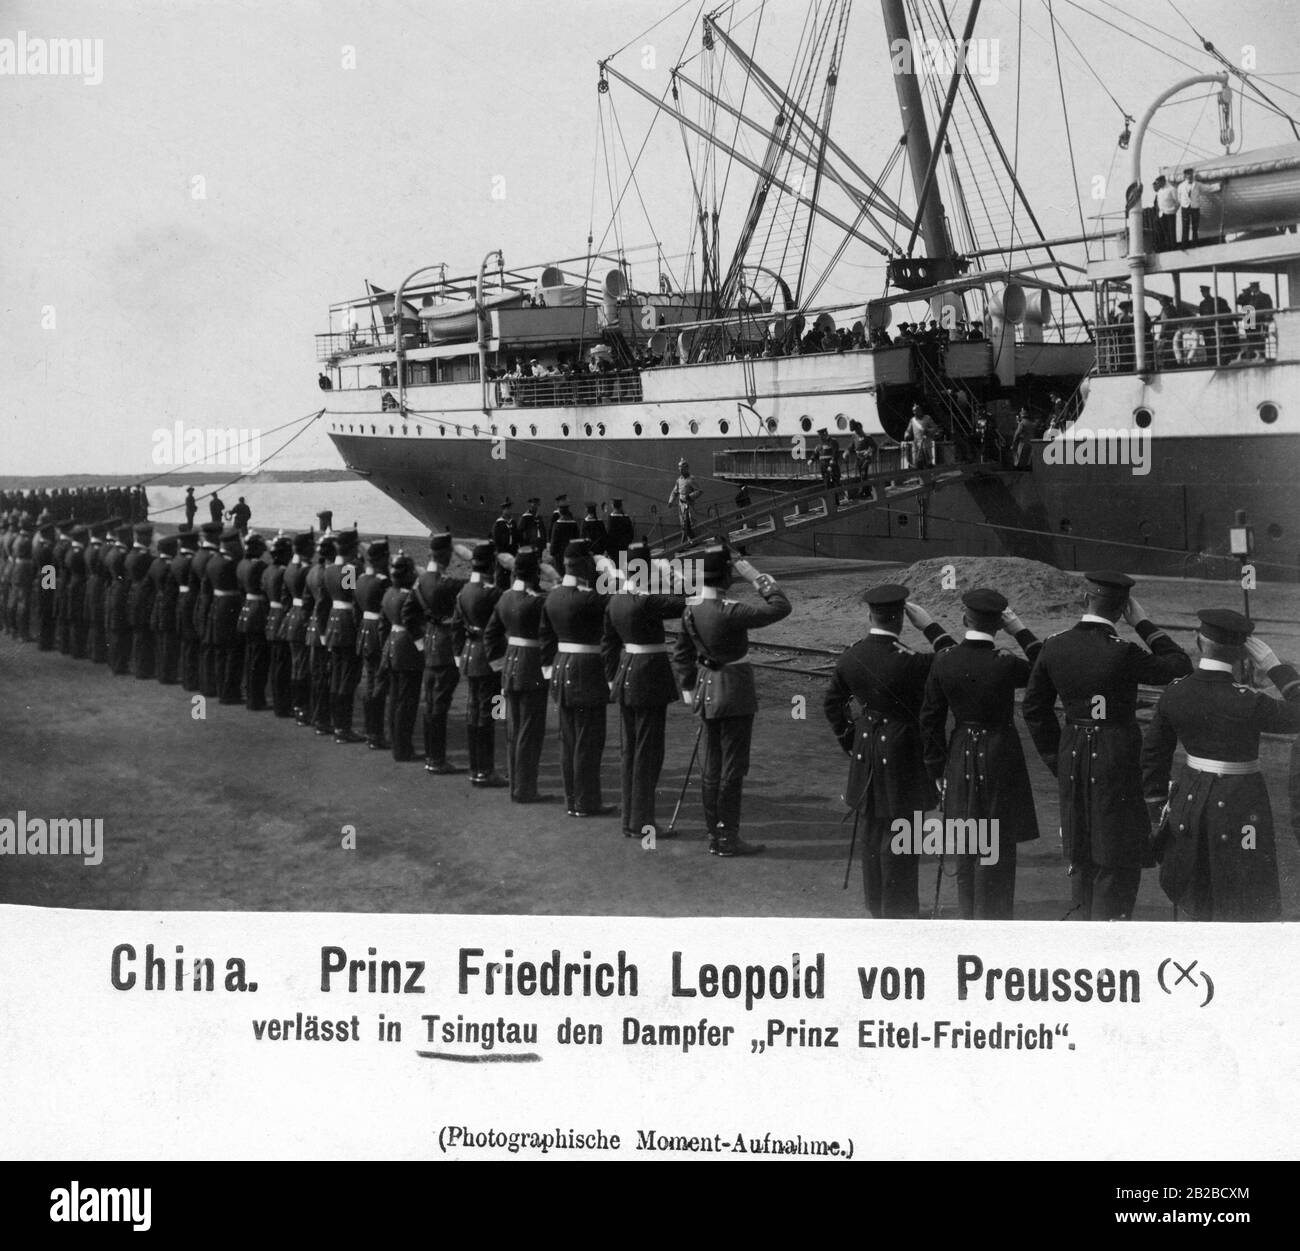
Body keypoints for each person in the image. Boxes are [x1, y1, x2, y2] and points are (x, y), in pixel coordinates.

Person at [1023, 570, 1192, 920]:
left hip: (1072, 753)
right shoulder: (1123, 652)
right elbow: (1179, 665)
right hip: (1116, 754)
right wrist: (1144, 624)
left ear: (1086, 600)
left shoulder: (1054, 644)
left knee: (1080, 849)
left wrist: (1060, 759)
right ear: (1122, 611)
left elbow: (1035, 708)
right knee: (1117, 849)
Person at [1142, 610, 1300, 921]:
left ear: (1196, 640)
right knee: (1246, 892)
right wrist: (1275, 667)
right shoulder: (1249, 701)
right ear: (1243, 653)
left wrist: (1157, 807)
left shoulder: (1176, 692)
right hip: (1243, 806)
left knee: (1194, 891)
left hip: (1188, 802)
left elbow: (1153, 756)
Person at [823, 585, 955, 915]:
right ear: (901, 621)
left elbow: (832, 703)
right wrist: (929, 626)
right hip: (904, 754)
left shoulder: (852, 654)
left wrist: (851, 742)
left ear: (870, 615)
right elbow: (954, 660)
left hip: (866, 750)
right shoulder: (913, 662)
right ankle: (900, 910)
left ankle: (876, 905)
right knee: (902, 834)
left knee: (871, 829)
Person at [919, 589, 1042, 919]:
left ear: (963, 619)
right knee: (998, 842)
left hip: (960, 753)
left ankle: (967, 916)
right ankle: (994, 920)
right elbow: (1045, 666)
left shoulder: (944, 661)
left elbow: (930, 719)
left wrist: (936, 770)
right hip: (1001, 753)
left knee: (965, 838)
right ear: (999, 626)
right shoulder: (1005, 663)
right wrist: (1020, 629)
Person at [672, 544, 792, 856]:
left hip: (705, 691)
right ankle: (729, 838)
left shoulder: (691, 610)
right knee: (732, 768)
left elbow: (682, 654)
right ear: (727, 575)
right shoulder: (732, 610)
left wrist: (688, 687)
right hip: (735, 693)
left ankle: (715, 834)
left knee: (711, 766)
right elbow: (780, 607)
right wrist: (756, 577)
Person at [602, 541, 687, 839]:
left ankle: (630, 819)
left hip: (625, 676)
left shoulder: (616, 600)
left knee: (630, 751)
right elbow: (685, 602)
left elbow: (608, 644)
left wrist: (613, 678)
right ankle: (642, 822)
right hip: (649, 678)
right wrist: (672, 573)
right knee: (648, 754)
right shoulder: (647, 600)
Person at [540, 539, 614, 818]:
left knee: (568, 739)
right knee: (589, 740)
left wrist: (550, 672)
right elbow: (620, 600)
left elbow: (545, 637)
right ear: (584, 564)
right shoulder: (590, 598)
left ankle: (573, 799)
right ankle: (586, 802)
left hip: (561, 670)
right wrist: (608, 570)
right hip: (586, 672)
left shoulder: (553, 596)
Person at [484, 546, 552, 802]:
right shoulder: (537, 601)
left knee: (514, 730)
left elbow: (490, 635)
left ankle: (516, 784)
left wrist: (501, 665)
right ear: (534, 571)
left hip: (510, 667)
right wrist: (554, 577)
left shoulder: (504, 598)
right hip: (531, 667)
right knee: (530, 731)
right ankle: (525, 789)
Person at [454, 543, 507, 787]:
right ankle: (485, 770)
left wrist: (459, 656)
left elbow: (457, 626)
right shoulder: (493, 593)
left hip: (469, 655)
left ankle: (477, 768)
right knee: (488, 714)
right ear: (492, 565)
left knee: (474, 711)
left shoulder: (464, 591)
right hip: (490, 659)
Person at [417, 532, 465, 774]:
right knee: (439, 706)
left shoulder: (422, 581)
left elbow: (409, 611)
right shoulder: (447, 584)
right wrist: (466, 557)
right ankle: (437, 759)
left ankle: (431, 756)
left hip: (430, 644)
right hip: (446, 648)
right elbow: (481, 584)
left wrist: (420, 643)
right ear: (447, 554)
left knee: (431, 704)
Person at [380, 552, 425, 762]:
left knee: (395, 699)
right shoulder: (410, 596)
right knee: (406, 702)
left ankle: (396, 743)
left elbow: (383, 624)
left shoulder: (389, 592)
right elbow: (413, 622)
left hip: (392, 645)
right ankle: (403, 747)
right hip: (407, 649)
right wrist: (422, 646)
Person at [322, 528, 364, 742]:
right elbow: (352, 597)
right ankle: (343, 727)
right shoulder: (349, 569)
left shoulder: (329, 569)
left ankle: (336, 722)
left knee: (336, 676)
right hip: (348, 624)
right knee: (347, 678)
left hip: (333, 622)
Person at [355, 539, 392, 748]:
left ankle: (371, 730)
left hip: (364, 631)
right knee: (379, 685)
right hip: (379, 634)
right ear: (382, 559)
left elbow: (352, 603)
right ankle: (376, 733)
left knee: (369, 682)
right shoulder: (383, 581)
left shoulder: (359, 578)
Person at [205, 528, 245, 706]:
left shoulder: (213, 560)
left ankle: (221, 689)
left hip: (217, 605)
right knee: (232, 652)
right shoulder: (231, 563)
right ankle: (230, 692)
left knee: (220, 652)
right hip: (230, 607)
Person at [282, 531, 316, 724]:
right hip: (304, 619)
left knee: (297, 665)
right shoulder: (307, 570)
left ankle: (297, 706)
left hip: (292, 619)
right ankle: (302, 708)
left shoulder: (289, 568)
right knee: (303, 667)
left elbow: (285, 597)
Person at [236, 532, 270, 710]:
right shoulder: (260, 566)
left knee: (251, 657)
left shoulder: (242, 563)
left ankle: (251, 694)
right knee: (258, 659)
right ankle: (255, 698)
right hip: (258, 612)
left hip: (247, 609)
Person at [262, 534, 295, 717]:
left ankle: (279, 703)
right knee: (283, 665)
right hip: (283, 618)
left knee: (278, 664)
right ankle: (283, 705)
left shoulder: (268, 570)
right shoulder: (285, 571)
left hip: (272, 617)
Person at [149, 533, 180, 685]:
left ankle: (161, 672)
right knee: (168, 643)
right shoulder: (170, 567)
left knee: (161, 641)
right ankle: (167, 675)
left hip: (158, 603)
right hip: (168, 606)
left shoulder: (155, 563)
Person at [172, 528, 200, 689]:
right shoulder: (191, 560)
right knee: (191, 642)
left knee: (185, 641)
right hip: (191, 599)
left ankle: (186, 677)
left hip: (181, 599)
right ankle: (191, 680)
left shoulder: (177, 559)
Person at [668, 460, 701, 543]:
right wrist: (670, 501)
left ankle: (691, 541)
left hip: (689, 504)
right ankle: (688, 542)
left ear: (687, 468)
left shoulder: (691, 479)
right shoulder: (679, 480)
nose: (681, 470)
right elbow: (675, 492)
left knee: (689, 523)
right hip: (681, 505)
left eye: (682, 468)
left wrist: (689, 496)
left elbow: (699, 491)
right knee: (683, 524)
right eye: (679, 468)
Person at [548, 498, 579, 568]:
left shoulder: (557, 524)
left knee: (560, 571)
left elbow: (554, 539)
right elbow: (577, 538)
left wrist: (552, 551)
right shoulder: (574, 524)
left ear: (560, 512)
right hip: (571, 552)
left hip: (559, 553)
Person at [1154, 176, 1178, 251]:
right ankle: (1168, 247)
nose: (1158, 184)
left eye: (1159, 182)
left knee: (1171, 231)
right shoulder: (1160, 191)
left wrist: (1174, 209)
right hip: (1162, 213)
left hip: (1170, 213)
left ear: (1163, 181)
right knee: (1165, 232)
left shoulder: (1171, 189)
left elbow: (1177, 201)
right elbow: (1158, 202)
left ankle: (1173, 247)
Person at [1178, 167, 1200, 246]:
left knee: (1195, 226)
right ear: (1185, 176)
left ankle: (1195, 243)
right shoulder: (1181, 186)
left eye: (1191, 174)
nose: (1190, 176)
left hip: (1195, 207)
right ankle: (1184, 244)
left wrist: (1218, 186)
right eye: (1188, 174)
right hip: (1185, 207)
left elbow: (1207, 188)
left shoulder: (1197, 184)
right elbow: (1179, 197)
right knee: (1185, 226)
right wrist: (1184, 204)